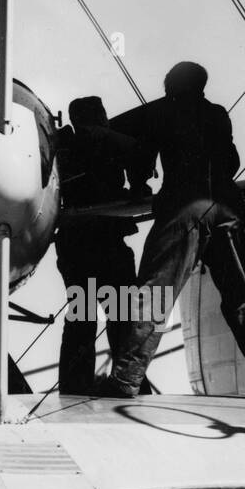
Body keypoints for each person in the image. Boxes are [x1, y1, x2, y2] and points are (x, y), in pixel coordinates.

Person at [100, 62, 245, 400]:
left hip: (184, 209)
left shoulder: (162, 111)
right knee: (241, 296)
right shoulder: (218, 114)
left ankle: (126, 379)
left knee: (154, 294)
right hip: (229, 208)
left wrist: (140, 182)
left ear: (171, 85)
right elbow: (231, 160)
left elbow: (134, 149)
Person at [54, 96, 148, 395]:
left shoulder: (64, 144)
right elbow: (138, 157)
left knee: (81, 317)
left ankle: (74, 386)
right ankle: (128, 382)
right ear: (100, 115)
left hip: (75, 244)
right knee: (121, 316)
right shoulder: (113, 140)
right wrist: (136, 187)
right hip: (108, 242)